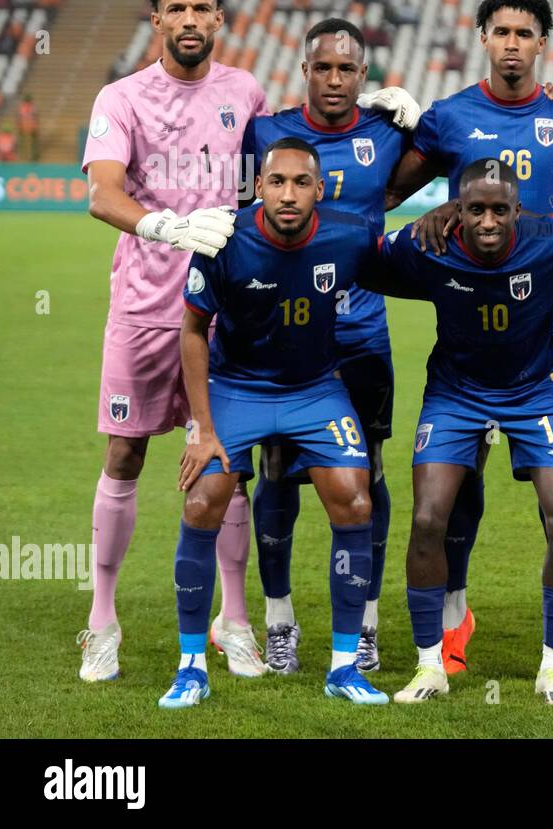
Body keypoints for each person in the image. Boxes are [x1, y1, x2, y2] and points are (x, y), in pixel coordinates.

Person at [387, 0, 553, 677]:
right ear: (483, 37)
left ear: (542, 43)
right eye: (502, 31)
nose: (513, 43)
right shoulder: (449, 118)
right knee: (457, 483)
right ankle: (454, 616)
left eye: (526, 32)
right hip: (468, 320)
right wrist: (418, 192)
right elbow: (388, 194)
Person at [78, 0, 269, 684]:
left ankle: (234, 618)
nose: (190, 20)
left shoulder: (245, 91)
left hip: (225, 315)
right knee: (125, 457)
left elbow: (284, 167)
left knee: (228, 467)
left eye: (202, 9)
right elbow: (102, 192)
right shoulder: (121, 96)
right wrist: (164, 225)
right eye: (176, 9)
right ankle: (102, 620)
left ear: (219, 19)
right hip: (143, 311)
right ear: (156, 21)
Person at [163, 137, 387, 708]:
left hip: (315, 389)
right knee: (201, 501)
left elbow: (410, 270)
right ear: (259, 186)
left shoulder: (351, 234)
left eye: (301, 183)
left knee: (355, 501)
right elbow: (191, 331)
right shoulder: (224, 240)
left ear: (319, 188)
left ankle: (344, 666)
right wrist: (203, 428)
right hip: (236, 389)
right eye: (277, 182)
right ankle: (191, 666)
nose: (289, 195)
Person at [369, 160, 553, 705]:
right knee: (427, 518)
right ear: (455, 211)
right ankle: (428, 667)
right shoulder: (427, 246)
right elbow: (359, 255)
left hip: (536, 391)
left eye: (499, 209)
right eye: (475, 209)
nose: (488, 221)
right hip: (455, 394)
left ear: (519, 210)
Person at [241, 18, 419, 676]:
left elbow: (451, 155)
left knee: (367, 478)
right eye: (324, 68)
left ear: (364, 77)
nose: (336, 79)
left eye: (348, 69)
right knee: (278, 477)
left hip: (363, 337)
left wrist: (419, 116)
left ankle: (366, 621)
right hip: (285, 339)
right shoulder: (265, 134)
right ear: (306, 70)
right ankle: (279, 617)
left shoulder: (387, 132)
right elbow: (239, 220)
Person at [17, 94, 38, 162]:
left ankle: (28, 156)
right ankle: (31, 156)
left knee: (27, 142)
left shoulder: (22, 106)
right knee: (31, 142)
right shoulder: (32, 106)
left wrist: (19, 125)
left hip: (25, 125)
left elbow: (19, 117)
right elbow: (35, 116)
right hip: (30, 125)